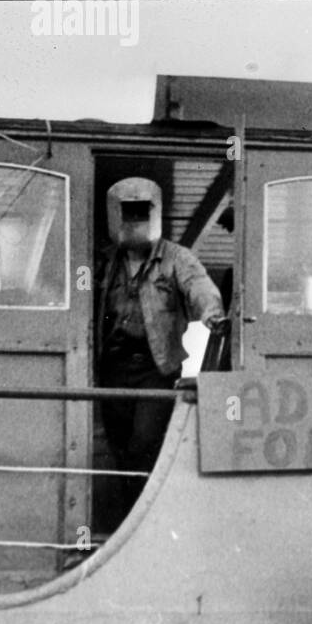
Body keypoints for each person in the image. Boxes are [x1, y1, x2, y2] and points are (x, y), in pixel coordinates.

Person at [97, 177, 226, 515]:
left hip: (156, 368)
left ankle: (146, 519)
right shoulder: (104, 262)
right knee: (120, 449)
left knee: (145, 444)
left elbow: (199, 286)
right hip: (112, 368)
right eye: (129, 211)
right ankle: (128, 519)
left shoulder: (177, 258)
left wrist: (211, 313)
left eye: (141, 210)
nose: (135, 218)